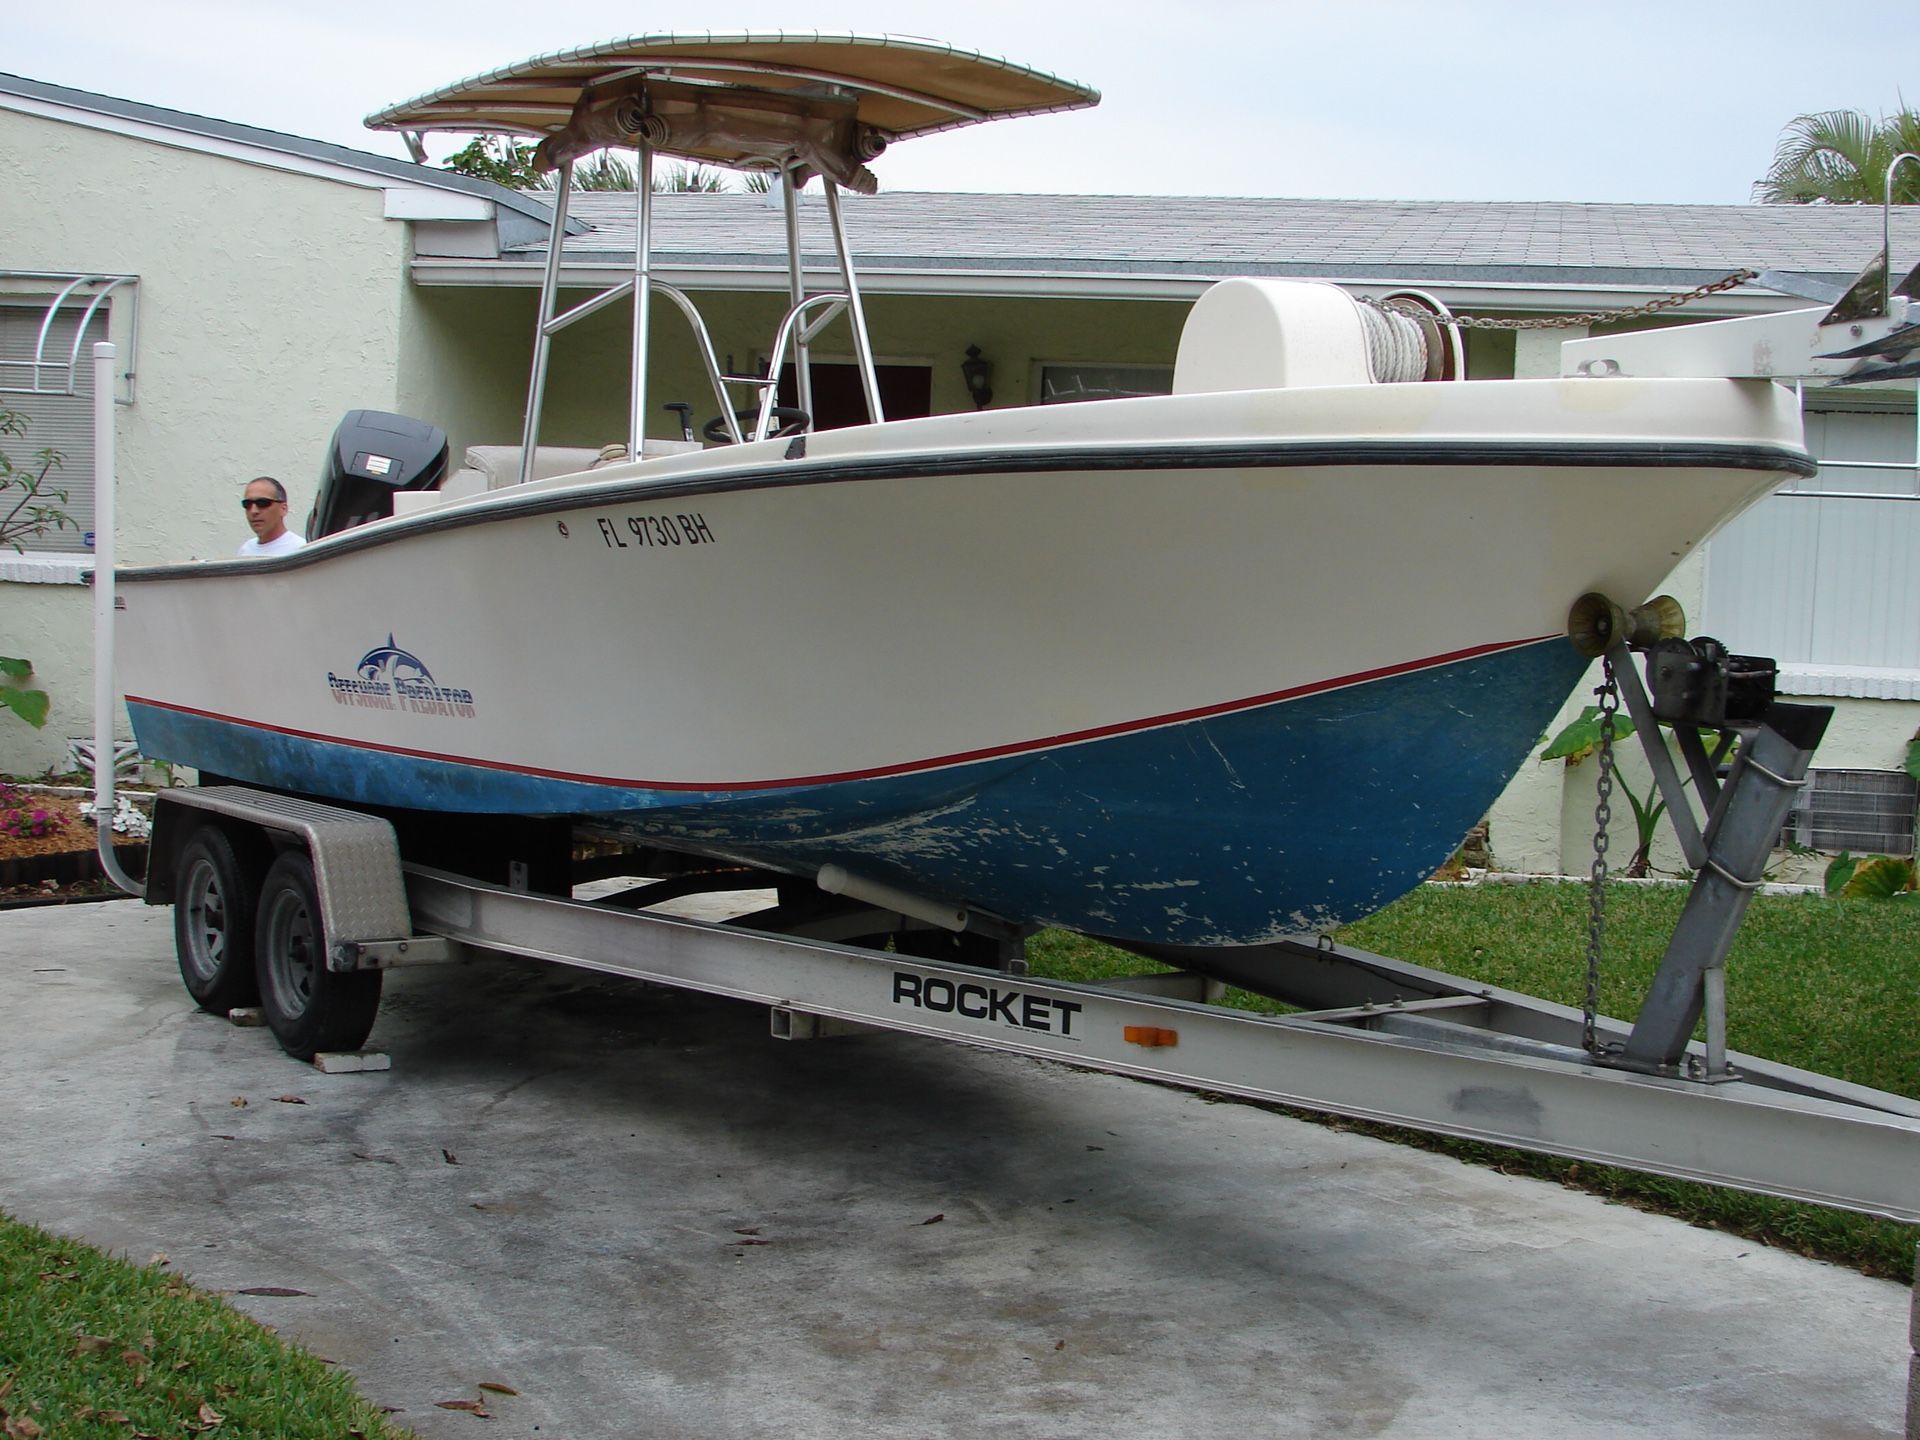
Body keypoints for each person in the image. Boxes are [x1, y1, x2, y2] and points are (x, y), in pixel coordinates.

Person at [237, 476, 306, 557]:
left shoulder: (301, 550)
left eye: (262, 503)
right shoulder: (245, 551)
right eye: (247, 504)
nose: (253, 511)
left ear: (283, 509)